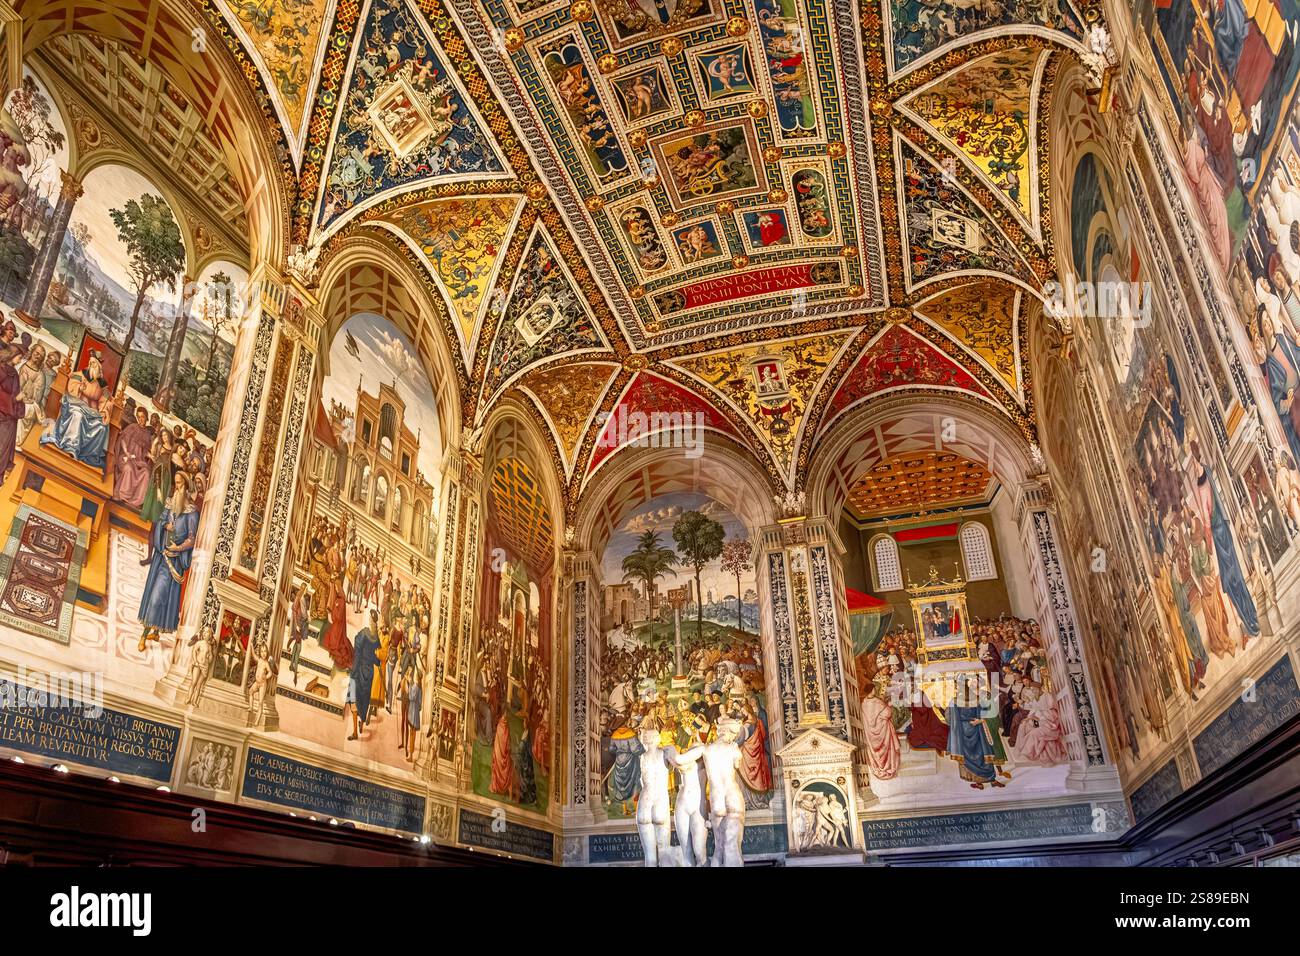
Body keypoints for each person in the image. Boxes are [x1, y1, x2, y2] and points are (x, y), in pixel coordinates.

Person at [136, 473, 199, 652]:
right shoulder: (170, 503)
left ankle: (154, 632)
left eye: (180, 484)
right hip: (161, 557)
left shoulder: (192, 513)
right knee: (155, 598)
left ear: (186, 487)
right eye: (176, 483)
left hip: (175, 562)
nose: (176, 487)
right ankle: (146, 634)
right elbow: (161, 520)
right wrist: (165, 526)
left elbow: (192, 539)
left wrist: (177, 549)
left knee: (162, 599)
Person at [41, 349, 111, 469]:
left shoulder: (102, 383)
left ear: (99, 367)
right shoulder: (81, 374)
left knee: (102, 427)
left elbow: (106, 400)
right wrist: (80, 388)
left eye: (93, 363)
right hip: (76, 403)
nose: (90, 365)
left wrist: (104, 411)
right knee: (77, 416)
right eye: (90, 363)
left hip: (92, 411)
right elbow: (71, 387)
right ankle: (71, 447)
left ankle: (89, 454)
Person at [345, 610, 381, 741]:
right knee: (364, 700)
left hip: (359, 671)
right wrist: (377, 660)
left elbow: (358, 650)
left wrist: (353, 670)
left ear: (371, 621)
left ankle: (355, 732)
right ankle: (362, 720)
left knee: (354, 700)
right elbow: (376, 657)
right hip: (369, 673)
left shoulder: (364, 633)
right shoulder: (376, 637)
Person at [113, 405, 154, 509]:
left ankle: (136, 501)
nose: (141, 419)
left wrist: (151, 455)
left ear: (146, 418)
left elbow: (145, 451)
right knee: (128, 469)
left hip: (139, 460)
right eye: (139, 416)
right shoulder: (132, 427)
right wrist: (126, 452)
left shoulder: (148, 435)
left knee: (146, 473)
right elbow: (123, 440)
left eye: (143, 417)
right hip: (127, 456)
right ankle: (123, 496)